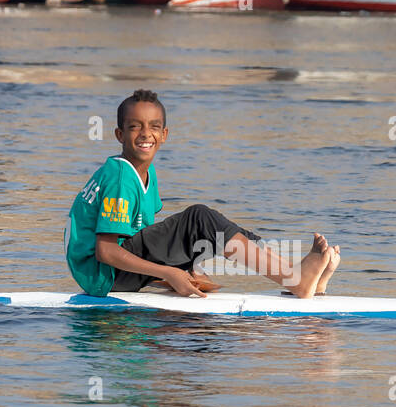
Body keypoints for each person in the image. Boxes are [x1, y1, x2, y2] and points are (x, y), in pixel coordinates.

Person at [65, 89, 339, 300]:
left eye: (154, 126)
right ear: (119, 134)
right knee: (199, 218)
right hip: (102, 276)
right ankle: (295, 279)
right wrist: (169, 273)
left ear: (165, 135)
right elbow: (105, 250)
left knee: (214, 226)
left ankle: (298, 277)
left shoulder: (142, 173)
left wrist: (181, 271)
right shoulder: (121, 177)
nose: (145, 134)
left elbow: (143, 237)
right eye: (135, 126)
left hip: (111, 271)